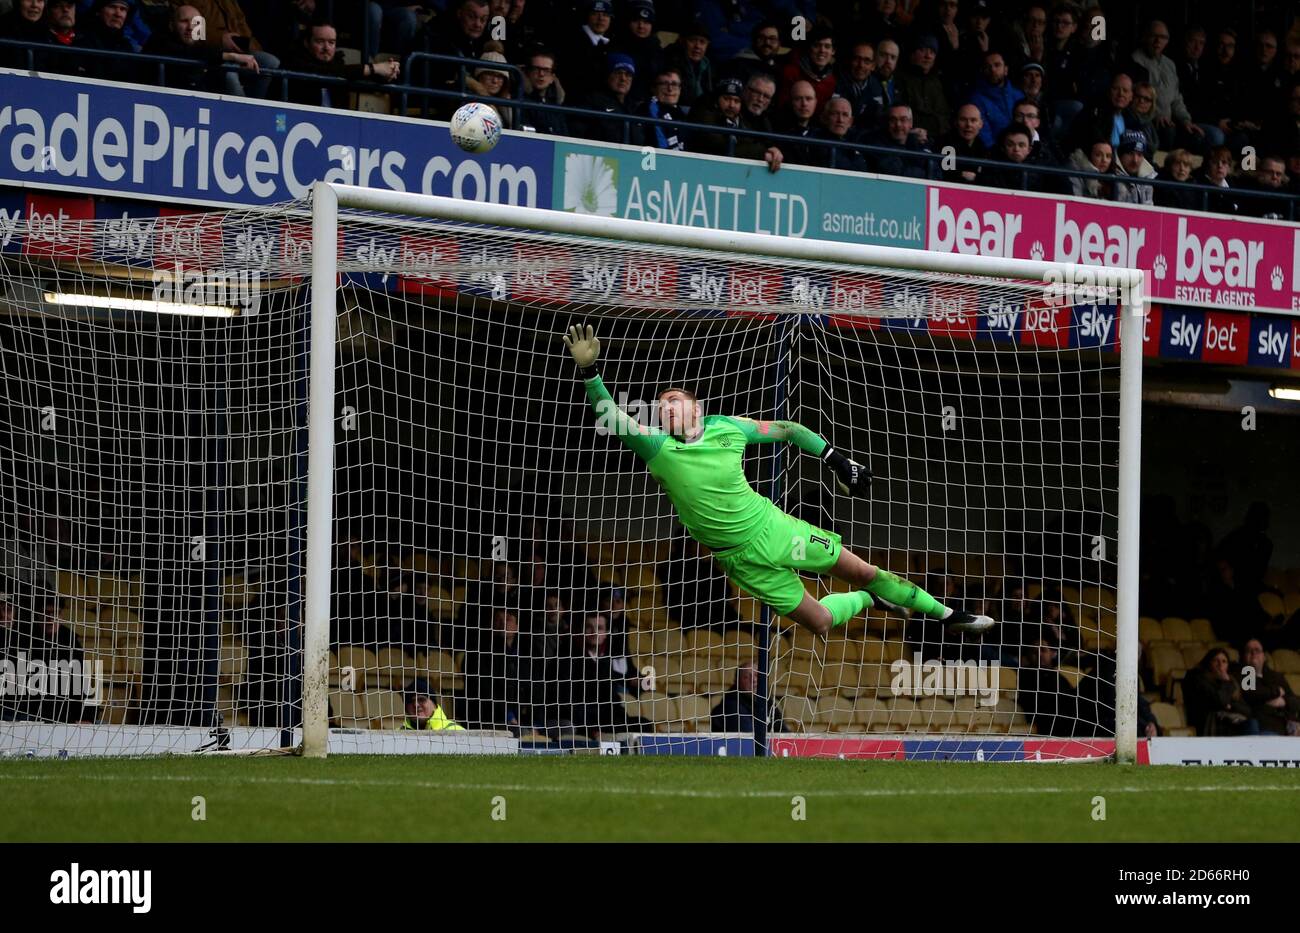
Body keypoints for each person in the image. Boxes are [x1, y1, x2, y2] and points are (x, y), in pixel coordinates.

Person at [561, 325, 994, 639]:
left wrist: (835, 459)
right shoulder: (659, 449)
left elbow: (787, 428)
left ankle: (947, 613)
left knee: (859, 569)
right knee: (821, 623)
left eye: (673, 401)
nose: (665, 409)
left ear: (696, 407)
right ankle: (869, 601)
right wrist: (590, 373)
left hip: (773, 529)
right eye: (659, 406)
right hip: (740, 560)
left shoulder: (726, 428)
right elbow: (613, 419)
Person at [145, 3, 260, 94]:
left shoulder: (200, 47)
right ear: (172, 26)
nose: (190, 27)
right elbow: (188, 53)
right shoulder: (160, 40)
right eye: (184, 21)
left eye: (196, 23)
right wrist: (233, 56)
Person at [283, 21, 400, 108]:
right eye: (320, 41)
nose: (326, 48)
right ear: (306, 43)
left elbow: (351, 75)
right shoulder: (293, 60)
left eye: (331, 42)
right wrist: (373, 68)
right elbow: (327, 73)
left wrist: (387, 73)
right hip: (285, 122)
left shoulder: (337, 63)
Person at [1183, 647, 1258, 736]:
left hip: (1231, 722)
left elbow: (1247, 710)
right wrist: (1225, 683)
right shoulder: (1199, 678)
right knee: (1251, 726)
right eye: (1216, 661)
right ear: (1208, 663)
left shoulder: (1232, 681)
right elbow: (1220, 701)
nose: (1220, 665)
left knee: (1266, 732)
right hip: (1211, 724)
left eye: (1224, 661)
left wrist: (1230, 706)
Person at [1237, 639, 1300, 736]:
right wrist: (1277, 691)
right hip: (1265, 726)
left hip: (1288, 725)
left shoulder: (1276, 676)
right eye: (1249, 650)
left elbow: (1296, 701)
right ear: (1244, 657)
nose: (1253, 652)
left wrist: (1283, 701)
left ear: (1263, 657)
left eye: (1257, 650)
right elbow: (1251, 694)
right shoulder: (1245, 673)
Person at [572, 52, 637, 144]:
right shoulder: (591, 102)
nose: (623, 78)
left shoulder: (636, 107)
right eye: (618, 73)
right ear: (607, 75)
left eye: (628, 74)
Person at [895, 33, 949, 140]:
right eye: (923, 50)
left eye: (932, 52)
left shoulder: (936, 82)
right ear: (912, 54)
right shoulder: (899, 78)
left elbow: (945, 117)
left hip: (936, 138)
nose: (928, 56)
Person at [969, 50, 1024, 148]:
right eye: (988, 67)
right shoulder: (976, 100)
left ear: (1006, 70)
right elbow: (985, 137)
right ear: (983, 71)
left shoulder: (1018, 95)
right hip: (997, 156)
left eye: (997, 65)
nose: (993, 70)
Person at [867, 102, 934, 179]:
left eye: (903, 120)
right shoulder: (877, 143)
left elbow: (936, 174)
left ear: (911, 123)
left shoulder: (918, 142)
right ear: (887, 123)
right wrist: (925, 174)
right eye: (893, 120)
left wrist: (921, 144)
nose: (898, 124)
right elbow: (898, 174)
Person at [710, 661, 782, 733]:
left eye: (757, 675)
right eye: (746, 677)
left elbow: (783, 731)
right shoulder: (731, 704)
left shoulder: (766, 700)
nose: (754, 680)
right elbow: (748, 736)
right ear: (737, 682)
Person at [777, 26, 836, 111]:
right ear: (809, 48)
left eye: (827, 46)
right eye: (817, 45)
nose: (822, 50)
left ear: (833, 51)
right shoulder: (790, 72)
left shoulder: (832, 81)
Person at [835, 40, 885, 132]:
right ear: (850, 61)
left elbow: (878, 120)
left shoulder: (877, 87)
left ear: (873, 66)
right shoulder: (836, 82)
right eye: (857, 59)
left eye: (867, 61)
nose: (861, 65)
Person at [518, 48, 569, 137]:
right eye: (536, 69)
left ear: (552, 78)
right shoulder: (518, 100)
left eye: (546, 70)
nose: (541, 74)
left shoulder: (557, 107)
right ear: (527, 72)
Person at [810, 95, 868, 171]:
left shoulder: (858, 142)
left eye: (845, 115)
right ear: (824, 118)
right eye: (835, 114)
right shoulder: (814, 140)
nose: (840, 120)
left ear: (850, 122)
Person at [633, 67, 686, 150]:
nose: (670, 89)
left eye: (675, 84)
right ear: (653, 88)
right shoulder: (647, 109)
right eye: (664, 84)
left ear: (680, 89)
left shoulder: (680, 113)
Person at [937, 102, 986, 183]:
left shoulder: (983, 147)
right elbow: (947, 174)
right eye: (963, 120)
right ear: (956, 123)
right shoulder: (946, 143)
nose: (968, 125)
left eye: (973, 120)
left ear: (981, 124)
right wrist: (961, 174)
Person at [400, 678, 465, 731]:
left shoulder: (456, 731)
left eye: (421, 700)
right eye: (411, 701)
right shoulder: (398, 736)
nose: (416, 705)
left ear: (434, 705)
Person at [1113, 131, 1157, 205]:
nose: (1135, 160)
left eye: (1139, 155)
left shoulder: (1148, 178)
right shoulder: (1112, 177)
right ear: (1120, 155)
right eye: (1130, 154)